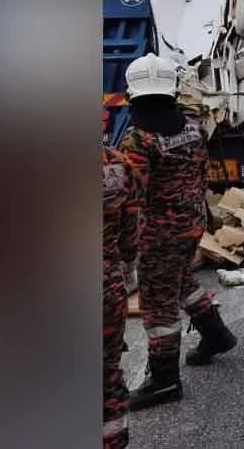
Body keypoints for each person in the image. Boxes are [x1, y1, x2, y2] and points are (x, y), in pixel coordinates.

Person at [119, 53, 237, 411]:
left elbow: (130, 195)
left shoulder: (137, 139)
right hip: (191, 223)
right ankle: (216, 335)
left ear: (132, 94)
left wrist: (121, 245)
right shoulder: (193, 125)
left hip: (159, 234)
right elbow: (203, 173)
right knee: (181, 280)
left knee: (157, 305)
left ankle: (164, 382)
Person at [102, 108, 144, 448]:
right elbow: (131, 231)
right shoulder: (116, 163)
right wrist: (126, 265)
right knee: (105, 377)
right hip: (107, 290)